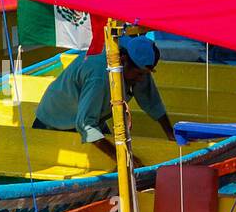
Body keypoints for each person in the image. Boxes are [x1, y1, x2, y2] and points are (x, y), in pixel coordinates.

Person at [32, 35, 174, 167]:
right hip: (53, 122)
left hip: (91, 116)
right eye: (138, 74)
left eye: (145, 75)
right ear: (123, 61)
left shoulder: (136, 61)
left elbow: (151, 101)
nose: (141, 79)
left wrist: (171, 134)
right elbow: (85, 125)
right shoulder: (99, 78)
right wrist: (122, 157)